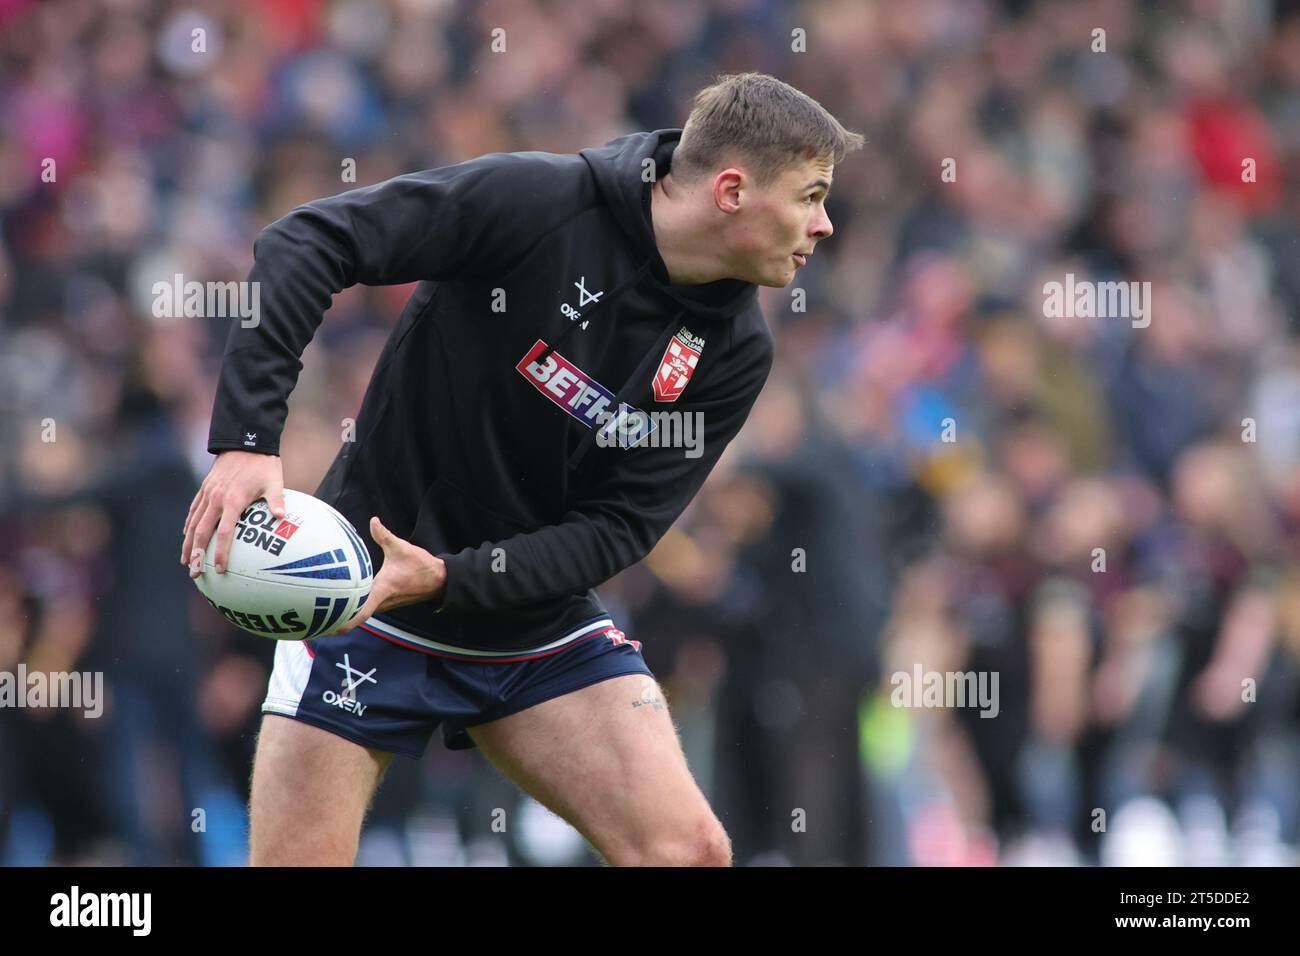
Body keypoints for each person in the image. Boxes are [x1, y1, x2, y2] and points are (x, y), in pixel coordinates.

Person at [179, 71, 863, 867]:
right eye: (811, 196)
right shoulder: (536, 202)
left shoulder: (738, 350)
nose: (825, 225)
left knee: (689, 851)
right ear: (734, 190)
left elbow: (619, 529)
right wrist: (247, 438)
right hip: (359, 597)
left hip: (529, 621)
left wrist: (451, 577)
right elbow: (307, 240)